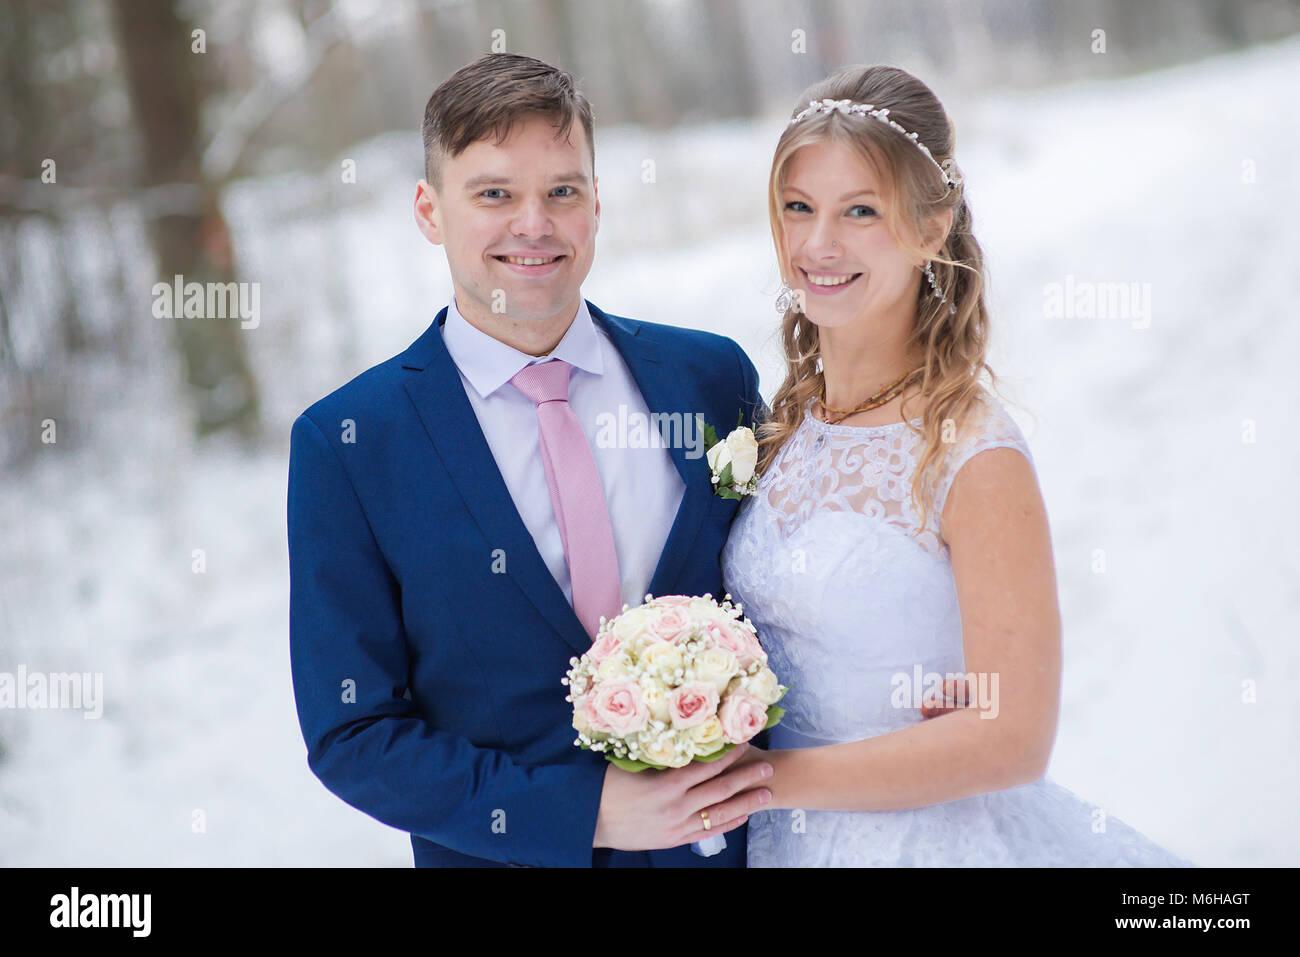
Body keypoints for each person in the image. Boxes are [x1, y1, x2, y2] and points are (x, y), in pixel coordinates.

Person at [286, 53, 773, 867]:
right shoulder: (350, 442)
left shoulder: (708, 377)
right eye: (494, 194)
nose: (534, 223)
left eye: (562, 190)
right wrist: (581, 812)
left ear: (594, 203)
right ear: (428, 209)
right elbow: (353, 733)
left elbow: (779, 600)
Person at [721, 64, 1194, 866]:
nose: (817, 244)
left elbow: (1013, 739)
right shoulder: (786, 420)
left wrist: (767, 777)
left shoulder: (973, 452)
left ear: (932, 227)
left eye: (860, 211)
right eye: (798, 207)